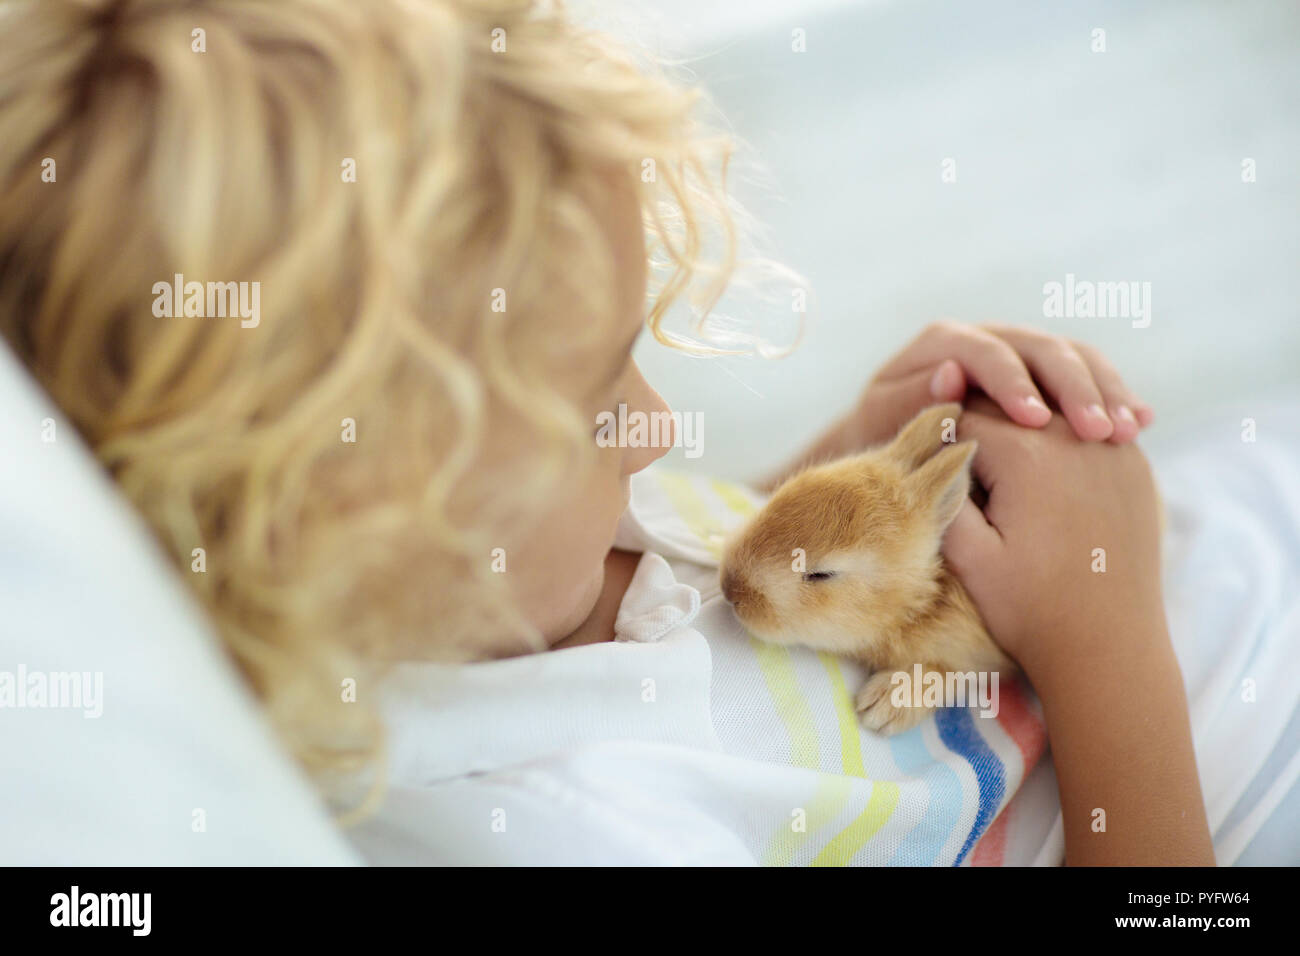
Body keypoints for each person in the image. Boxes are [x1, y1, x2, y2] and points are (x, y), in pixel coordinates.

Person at [0, 0, 1214, 864]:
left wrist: (856, 474)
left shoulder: (506, 572)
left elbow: (681, 615)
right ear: (347, 521)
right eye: (593, 399)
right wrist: (1108, 644)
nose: (652, 426)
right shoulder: (569, 825)